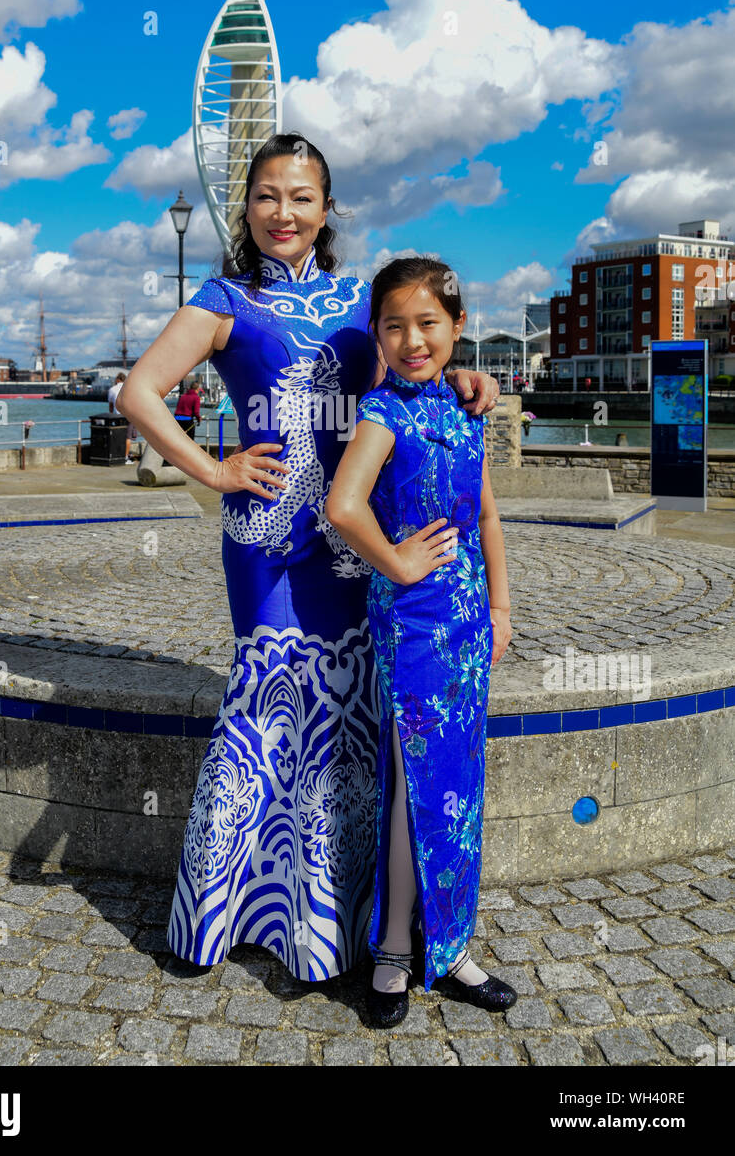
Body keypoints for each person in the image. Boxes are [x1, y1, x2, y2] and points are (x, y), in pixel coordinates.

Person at [117, 131, 500, 982]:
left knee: (345, 723)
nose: (282, 212)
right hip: (266, 543)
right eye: (266, 196)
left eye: (301, 197)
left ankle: (330, 930)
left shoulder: (356, 304)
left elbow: (412, 371)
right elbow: (137, 393)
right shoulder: (224, 299)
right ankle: (222, 916)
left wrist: (473, 379)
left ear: (327, 211)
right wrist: (215, 469)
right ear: (244, 206)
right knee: (266, 715)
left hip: (354, 544)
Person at [325, 253, 517, 1026]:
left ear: (458, 327)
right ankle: (399, 953)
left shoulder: (466, 411)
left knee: (457, 789)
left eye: (428, 324)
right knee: (414, 790)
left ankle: (451, 945)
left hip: (470, 629)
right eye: (395, 326)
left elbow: (489, 518)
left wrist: (502, 611)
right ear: (377, 333)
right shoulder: (383, 413)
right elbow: (343, 506)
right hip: (413, 626)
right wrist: (399, 560)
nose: (413, 340)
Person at [161, 376, 202, 466]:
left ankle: (170, 460)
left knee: (178, 440)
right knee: (189, 441)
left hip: (177, 420)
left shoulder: (183, 396)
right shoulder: (196, 398)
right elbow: (195, 411)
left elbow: (178, 409)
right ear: (197, 389)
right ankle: (188, 461)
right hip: (187, 420)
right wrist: (199, 419)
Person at [107, 370, 139, 463]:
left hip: (117, 416)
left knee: (117, 436)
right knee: (128, 437)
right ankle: (125, 458)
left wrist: (112, 415)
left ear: (117, 379)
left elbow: (111, 405)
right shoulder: (130, 388)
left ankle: (117, 456)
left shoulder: (112, 389)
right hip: (129, 415)